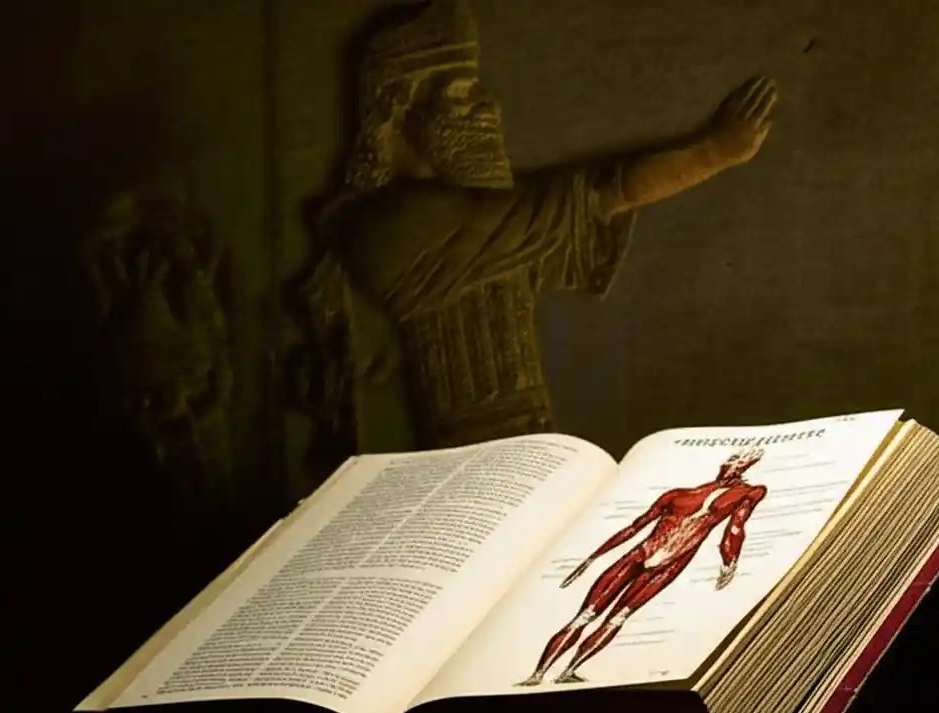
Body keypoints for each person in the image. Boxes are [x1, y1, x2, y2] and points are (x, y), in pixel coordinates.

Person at [295, 0, 779, 452]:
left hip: (530, 446)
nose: (489, 105)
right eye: (460, 91)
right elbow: (607, 192)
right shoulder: (394, 228)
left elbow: (594, 203)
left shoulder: (490, 236)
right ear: (400, 113)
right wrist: (712, 153)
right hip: (465, 458)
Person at [517, 446, 769, 685]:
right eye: (732, 458)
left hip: (667, 565)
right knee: (587, 616)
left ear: (748, 465)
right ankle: (539, 674)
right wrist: (593, 557)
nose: (732, 463)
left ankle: (567, 671)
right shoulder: (677, 494)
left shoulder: (748, 492)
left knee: (616, 618)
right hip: (640, 557)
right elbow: (635, 527)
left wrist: (729, 561)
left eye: (739, 459)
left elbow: (734, 529)